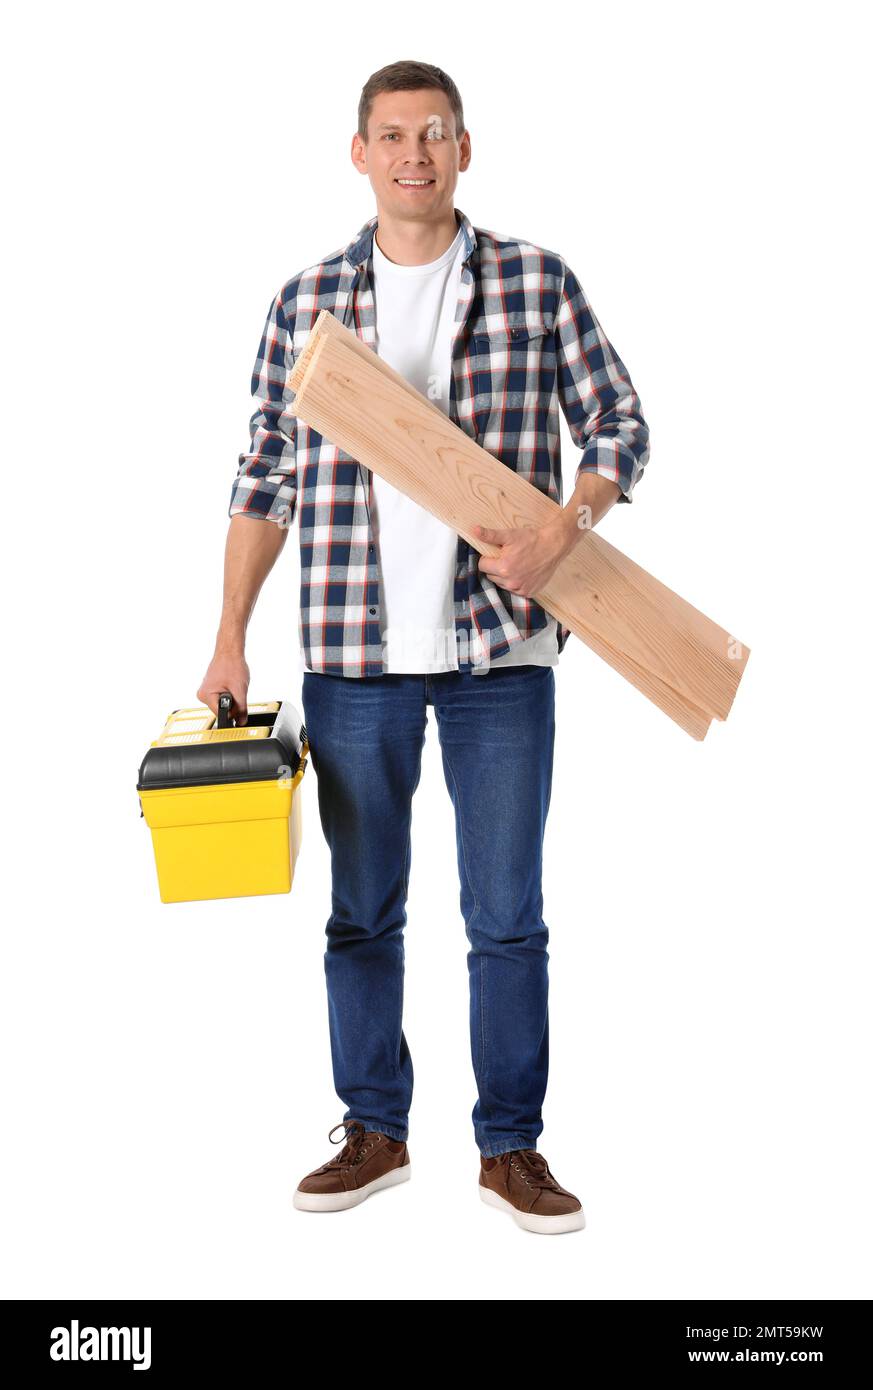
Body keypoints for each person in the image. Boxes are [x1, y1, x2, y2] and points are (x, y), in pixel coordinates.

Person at [197, 59, 650, 1235]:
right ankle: (376, 1131)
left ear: (463, 148)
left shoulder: (534, 282)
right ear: (360, 153)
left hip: (501, 655)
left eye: (434, 135)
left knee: (507, 916)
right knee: (361, 912)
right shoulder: (307, 304)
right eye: (391, 136)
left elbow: (619, 422)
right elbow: (264, 477)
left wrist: (567, 524)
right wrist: (228, 638)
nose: (413, 154)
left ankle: (511, 1149)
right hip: (353, 659)